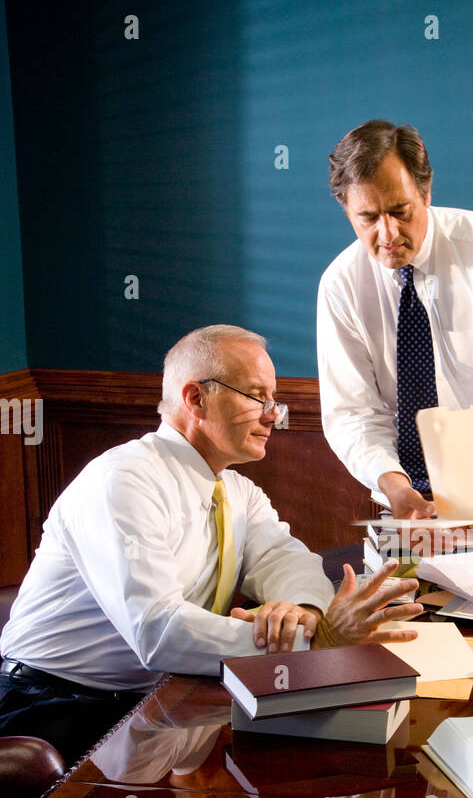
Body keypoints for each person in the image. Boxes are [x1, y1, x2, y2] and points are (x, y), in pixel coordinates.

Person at [0, 324, 421, 766]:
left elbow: (287, 558)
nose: (273, 415)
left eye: (273, 400)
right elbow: (158, 631)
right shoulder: (123, 480)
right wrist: (314, 645)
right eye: (257, 397)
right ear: (196, 399)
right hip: (51, 708)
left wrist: (307, 612)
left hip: (154, 701)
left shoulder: (237, 490)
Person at [317, 120, 473, 543]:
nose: (388, 233)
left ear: (426, 193)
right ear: (347, 211)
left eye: (400, 211)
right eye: (368, 218)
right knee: (424, 605)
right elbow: (353, 414)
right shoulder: (340, 285)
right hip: (406, 480)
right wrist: (395, 486)